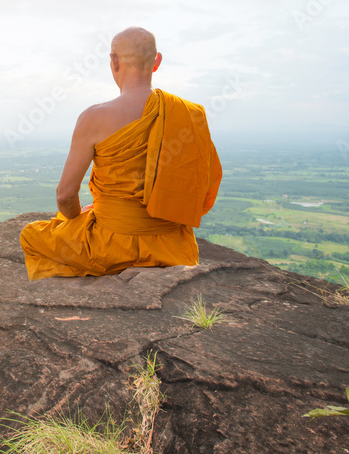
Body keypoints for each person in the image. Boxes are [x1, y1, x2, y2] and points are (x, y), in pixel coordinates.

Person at [19, 27, 222, 281]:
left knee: (31, 234)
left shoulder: (94, 117)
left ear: (114, 62)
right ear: (157, 61)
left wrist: (77, 221)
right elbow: (202, 189)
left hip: (109, 247)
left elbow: (65, 195)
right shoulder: (190, 114)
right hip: (173, 248)